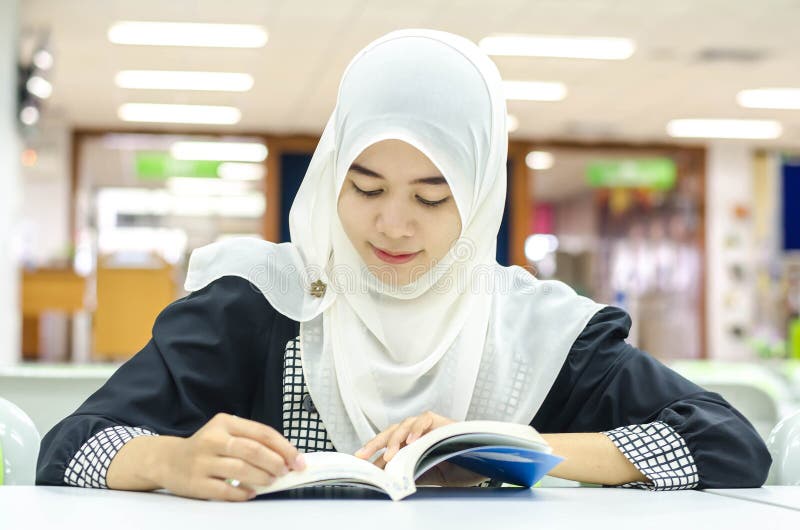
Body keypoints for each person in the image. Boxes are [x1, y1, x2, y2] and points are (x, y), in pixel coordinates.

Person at [36, 29, 770, 501]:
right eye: (364, 187)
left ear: (481, 200)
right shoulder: (260, 303)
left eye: (433, 196)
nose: (392, 224)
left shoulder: (536, 333)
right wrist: (167, 462)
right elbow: (69, 446)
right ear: (329, 177)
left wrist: (509, 449)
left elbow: (729, 443)